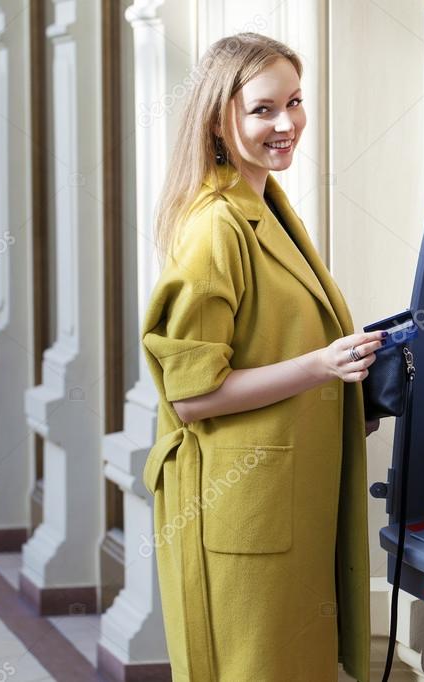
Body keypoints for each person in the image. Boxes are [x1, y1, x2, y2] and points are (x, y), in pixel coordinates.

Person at [140, 33, 383, 681]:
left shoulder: (266, 206)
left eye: (295, 102)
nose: (287, 123)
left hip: (283, 499)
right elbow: (191, 395)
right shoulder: (216, 227)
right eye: (263, 109)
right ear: (220, 117)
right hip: (237, 505)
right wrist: (322, 366)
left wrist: (351, 374)